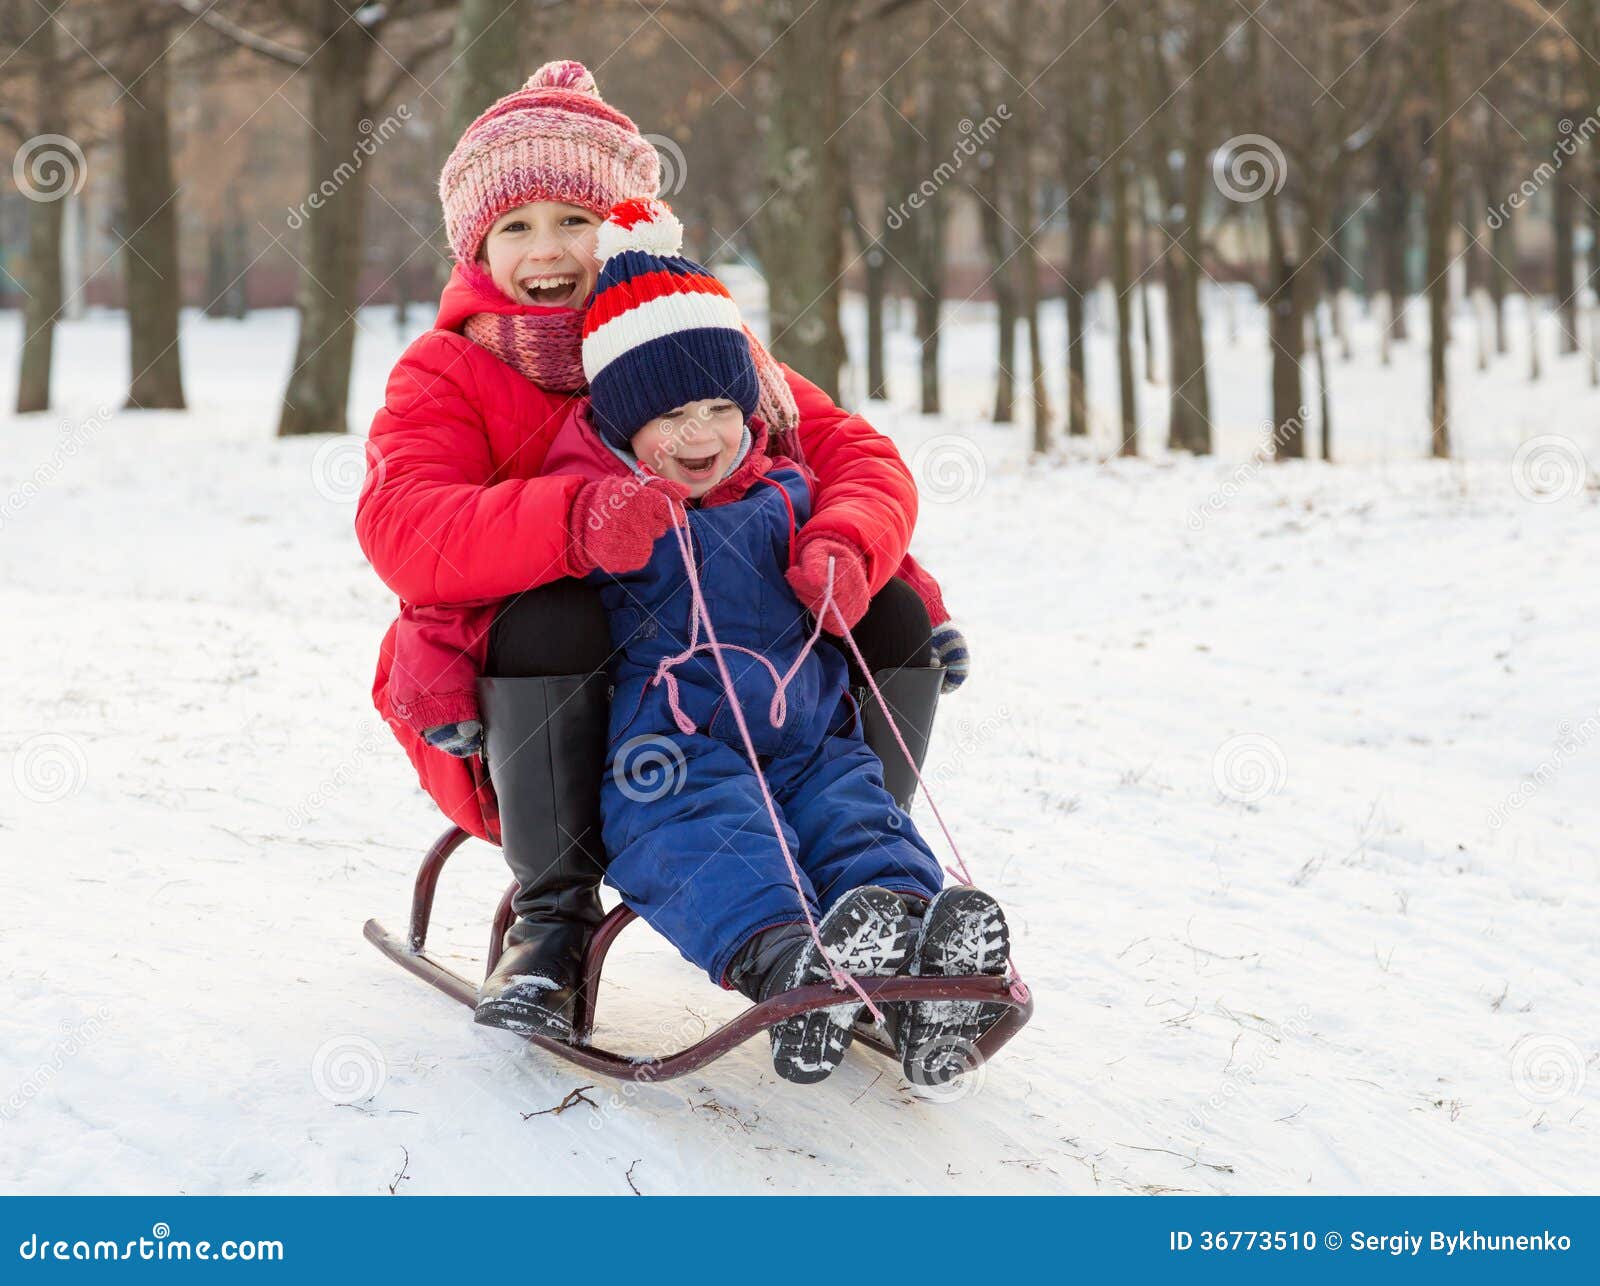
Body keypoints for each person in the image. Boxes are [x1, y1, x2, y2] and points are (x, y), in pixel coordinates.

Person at [355, 60, 970, 1070]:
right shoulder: (451, 368)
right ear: (475, 246)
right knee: (557, 609)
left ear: (625, 220)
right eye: (515, 227)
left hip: (749, 692)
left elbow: (857, 457)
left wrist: (843, 543)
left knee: (888, 605)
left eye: (573, 218)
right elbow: (404, 523)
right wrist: (574, 515)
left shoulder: (695, 339)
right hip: (549, 707)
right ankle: (548, 925)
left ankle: (863, 891)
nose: (547, 249)